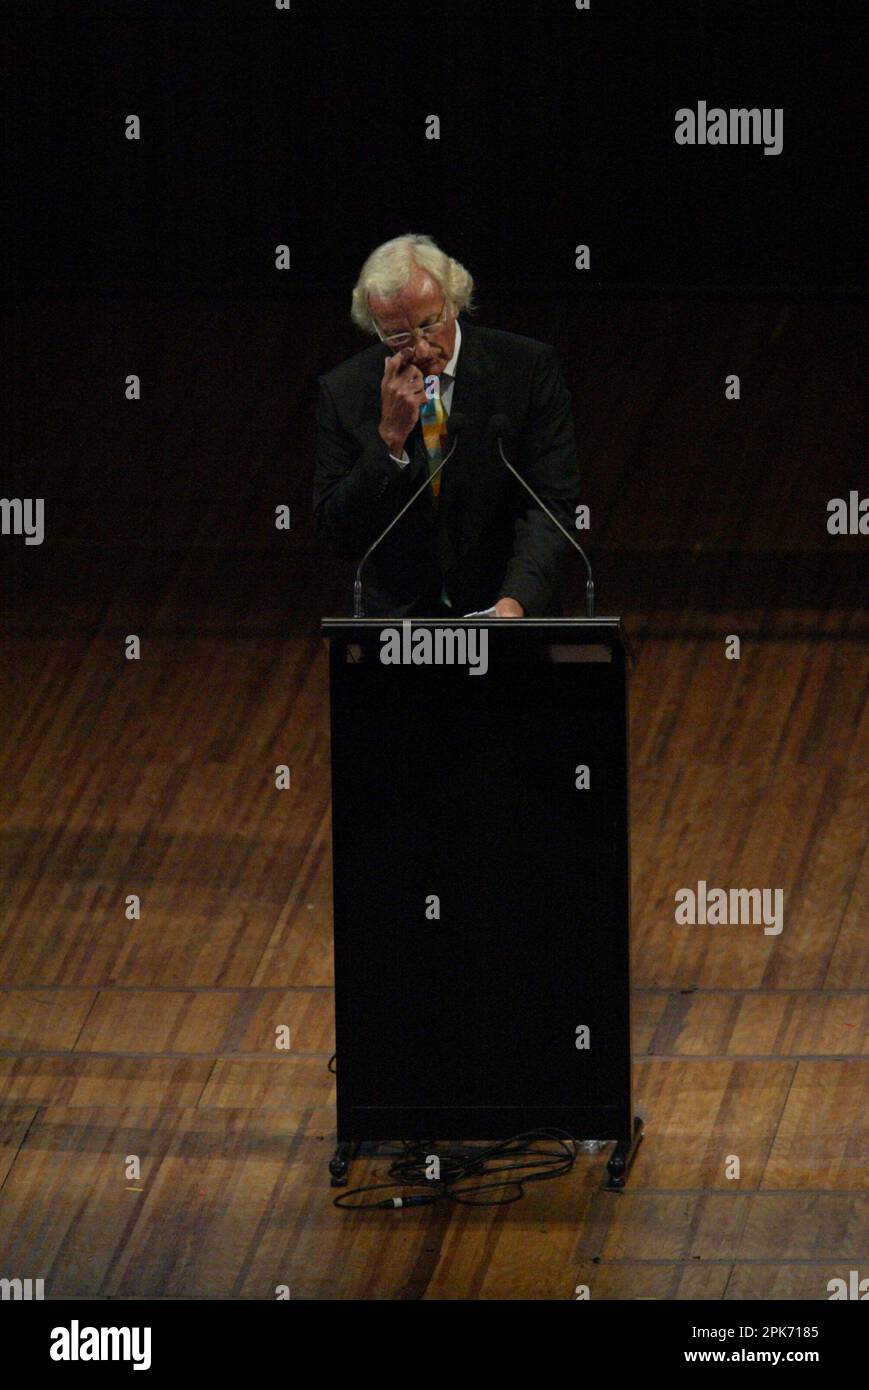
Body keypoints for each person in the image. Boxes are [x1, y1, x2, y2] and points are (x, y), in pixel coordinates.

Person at [313, 233, 580, 618]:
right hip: (397, 630)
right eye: (398, 335)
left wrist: (515, 602)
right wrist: (388, 442)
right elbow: (336, 534)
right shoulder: (345, 391)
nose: (420, 349)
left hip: (504, 612)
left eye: (429, 324)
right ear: (375, 327)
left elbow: (549, 505)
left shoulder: (526, 370)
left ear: (454, 301)